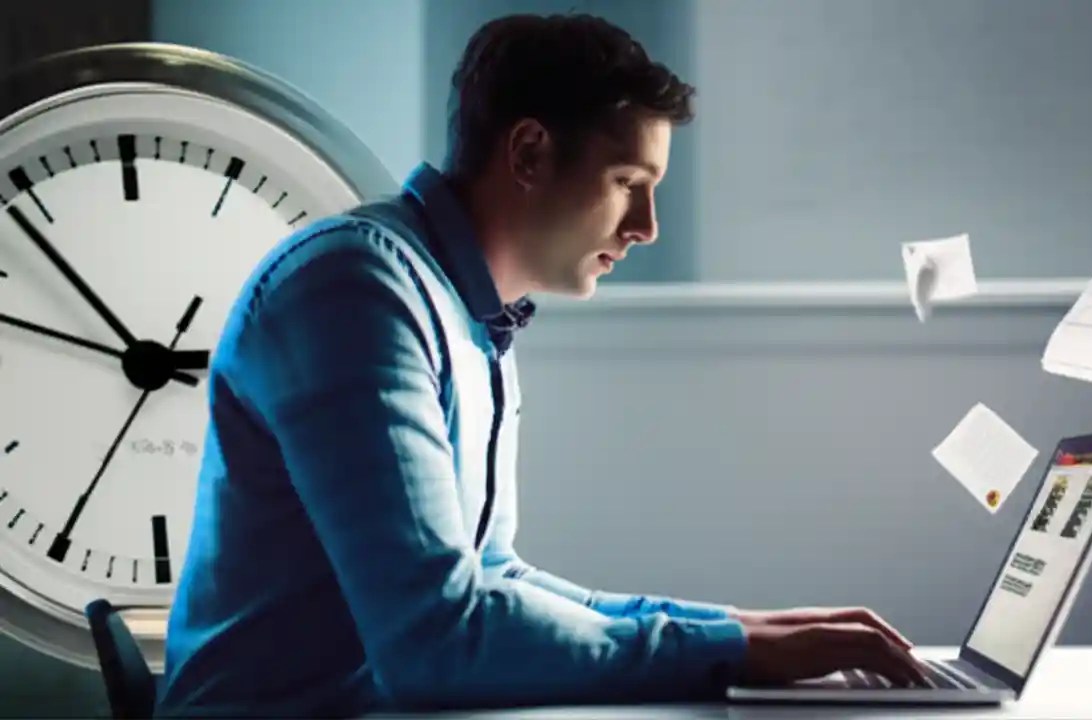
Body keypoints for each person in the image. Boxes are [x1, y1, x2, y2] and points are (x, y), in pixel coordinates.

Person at [158, 12, 929, 717]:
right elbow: (440, 638)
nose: (647, 227)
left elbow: (493, 577)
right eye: (629, 184)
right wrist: (730, 650)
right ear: (528, 152)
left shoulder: (469, 311)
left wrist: (733, 628)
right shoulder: (356, 290)